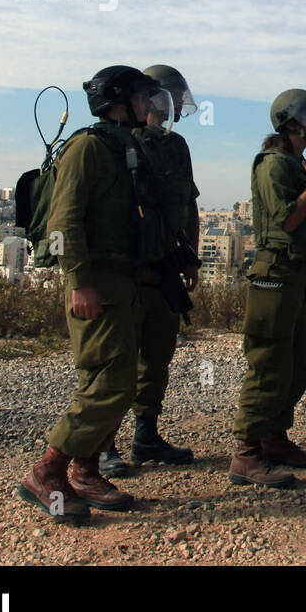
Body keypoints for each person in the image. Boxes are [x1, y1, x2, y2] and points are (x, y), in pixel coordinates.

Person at [17, 66, 170, 522]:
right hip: (97, 281)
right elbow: (64, 222)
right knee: (109, 381)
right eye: (143, 97)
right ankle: (47, 471)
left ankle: (84, 470)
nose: (150, 105)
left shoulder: (124, 146)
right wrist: (79, 280)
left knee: (114, 380)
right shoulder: (88, 147)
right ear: (120, 99)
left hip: (122, 280)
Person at [100, 64, 201, 477]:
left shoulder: (176, 146)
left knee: (157, 357)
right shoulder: (121, 142)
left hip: (166, 268)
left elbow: (189, 203)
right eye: (172, 95)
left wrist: (192, 254)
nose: (177, 104)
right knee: (116, 361)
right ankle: (102, 445)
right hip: (129, 270)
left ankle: (146, 435)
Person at [229, 89, 306, 488]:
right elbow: (287, 220)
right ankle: (246, 454)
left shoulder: (296, 162)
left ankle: (274, 438)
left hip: (297, 273)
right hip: (275, 273)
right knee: (269, 363)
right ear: (290, 123)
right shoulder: (272, 165)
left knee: (295, 363)